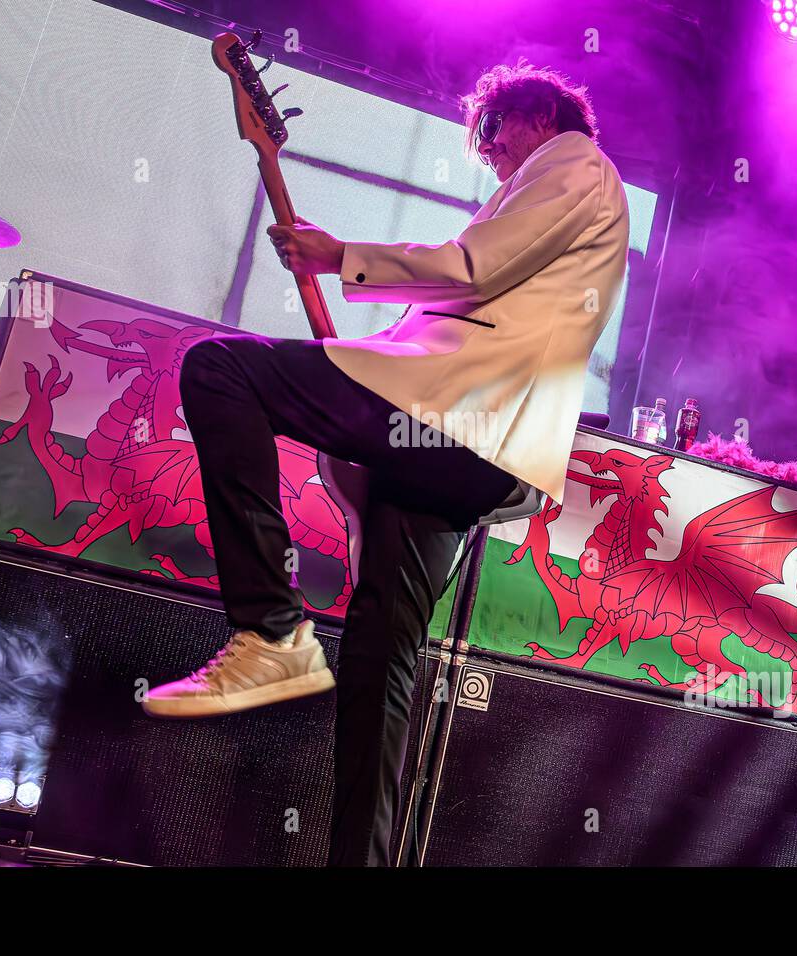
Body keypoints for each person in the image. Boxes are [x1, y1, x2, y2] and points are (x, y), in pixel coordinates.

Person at [142, 61, 631, 866]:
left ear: (537, 114)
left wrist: (340, 257)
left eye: (496, 140)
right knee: (380, 664)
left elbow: (476, 265)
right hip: (459, 449)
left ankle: (269, 631)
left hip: (452, 417)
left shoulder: (573, 163)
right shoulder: (574, 201)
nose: (497, 162)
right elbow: (477, 294)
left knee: (220, 369)